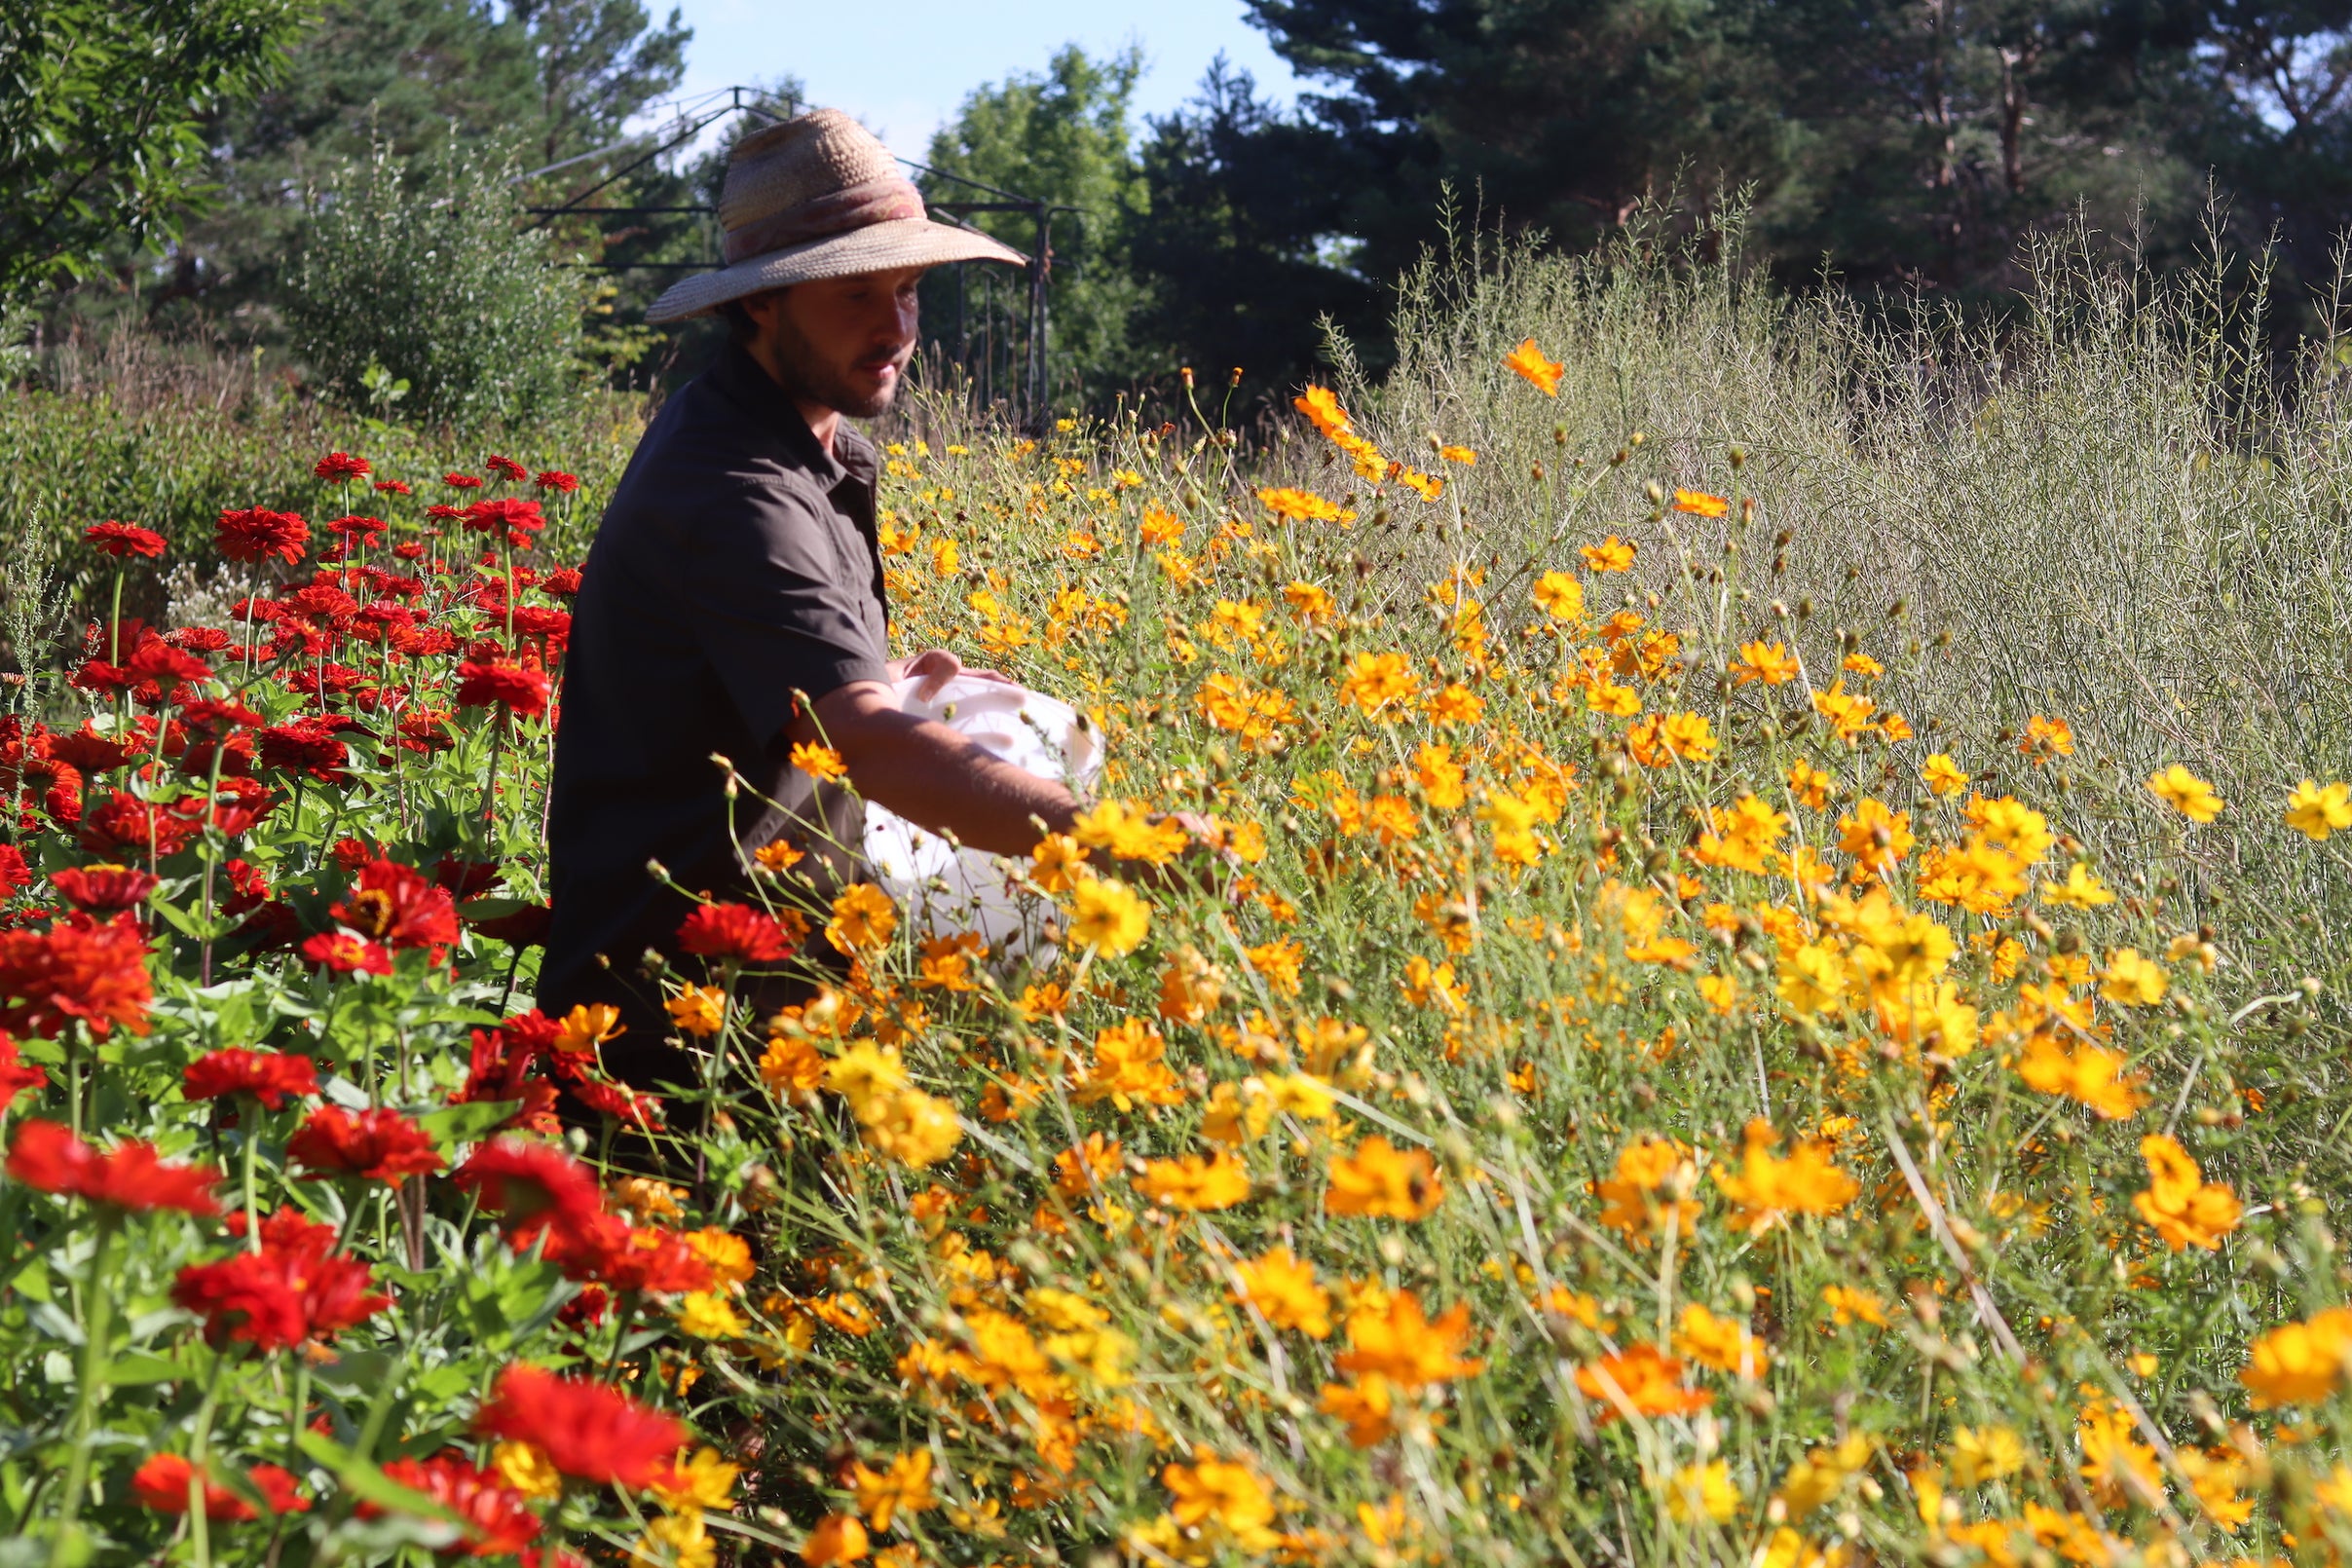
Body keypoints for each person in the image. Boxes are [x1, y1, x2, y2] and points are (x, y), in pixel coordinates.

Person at [541, 108, 1080, 1092]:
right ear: (761, 304)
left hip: (772, 998)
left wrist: (890, 678)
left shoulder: (800, 443)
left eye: (909, 290)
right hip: (678, 1035)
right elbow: (863, 744)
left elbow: (783, 694)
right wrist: (1106, 842)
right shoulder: (734, 484)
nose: (897, 328)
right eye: (856, 295)